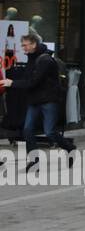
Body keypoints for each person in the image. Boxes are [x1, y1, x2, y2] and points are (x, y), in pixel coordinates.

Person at [1, 32, 69, 160]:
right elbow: (29, 79)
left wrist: (12, 83)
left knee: (49, 132)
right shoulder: (32, 57)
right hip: (35, 100)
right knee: (27, 130)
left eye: (25, 45)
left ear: (34, 44)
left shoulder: (45, 60)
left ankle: (69, 148)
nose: (23, 48)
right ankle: (34, 159)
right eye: (22, 45)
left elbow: (33, 82)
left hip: (48, 100)